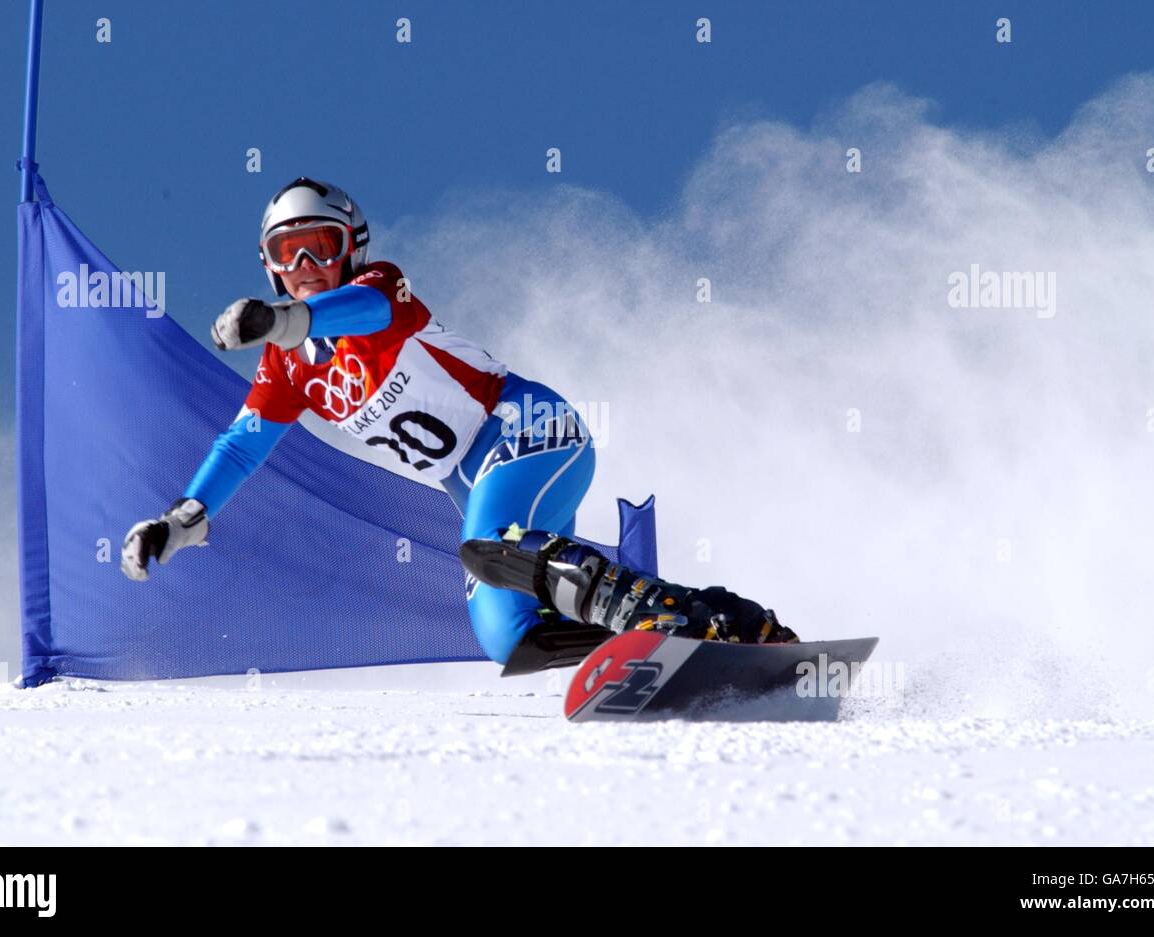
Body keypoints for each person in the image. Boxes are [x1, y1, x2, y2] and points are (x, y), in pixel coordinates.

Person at [120, 177, 795, 670]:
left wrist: (281, 319)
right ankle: (723, 622)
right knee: (509, 635)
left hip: (528, 433)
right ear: (268, 263)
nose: (306, 269)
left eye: (320, 247)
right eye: (288, 253)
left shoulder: (379, 288)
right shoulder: (288, 369)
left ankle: (655, 622)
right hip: (473, 484)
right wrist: (178, 522)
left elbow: (360, 313)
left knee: (488, 548)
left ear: (350, 249)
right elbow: (241, 446)